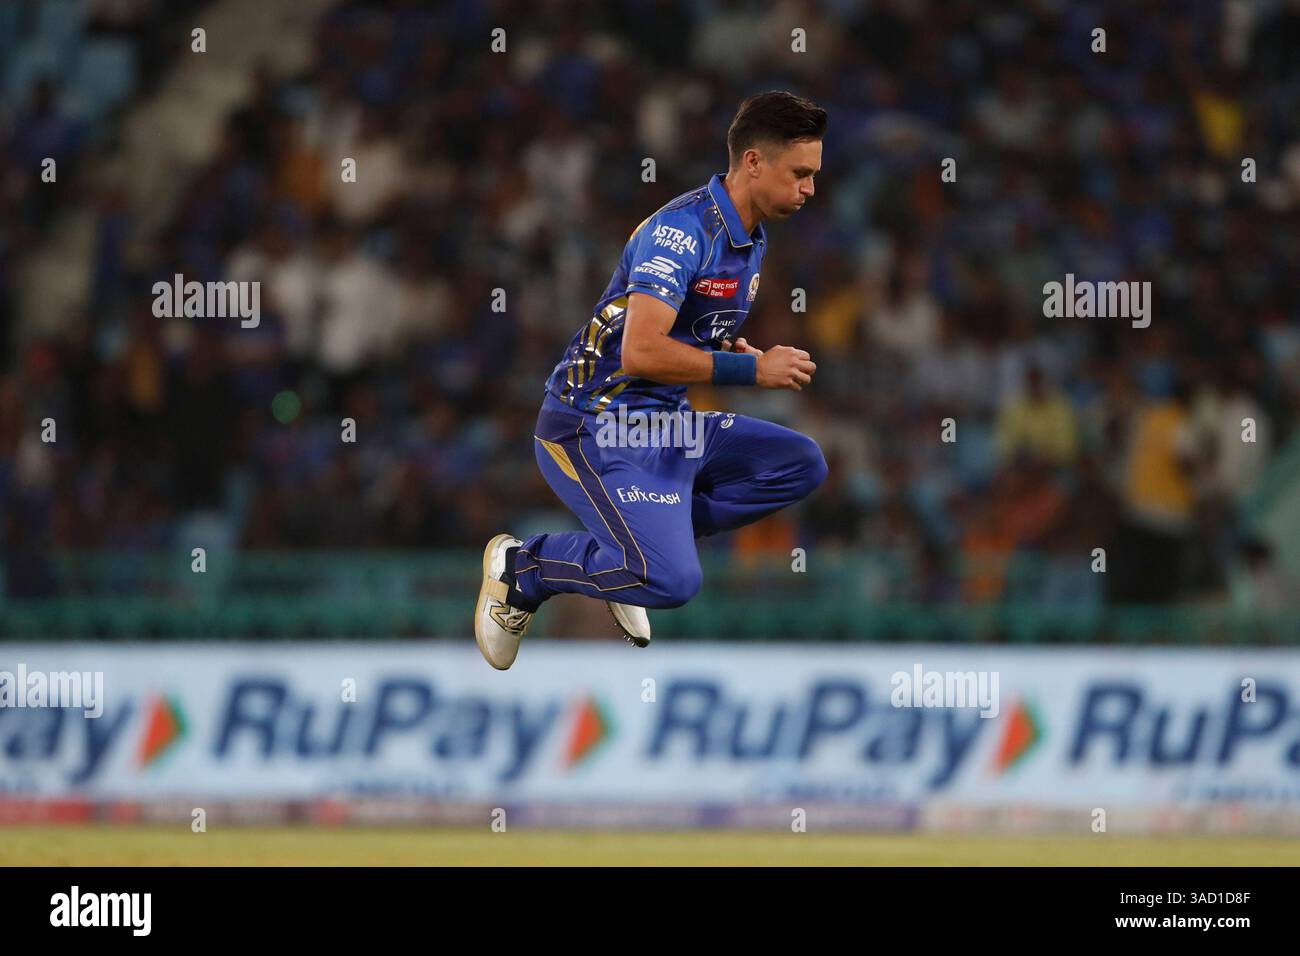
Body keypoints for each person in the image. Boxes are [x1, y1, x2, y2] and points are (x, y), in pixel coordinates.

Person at [474, 91, 829, 669]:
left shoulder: (750, 236)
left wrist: (721, 347)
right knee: (671, 582)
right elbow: (639, 353)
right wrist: (751, 368)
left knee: (801, 463)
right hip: (593, 427)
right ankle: (525, 571)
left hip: (665, 426)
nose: (810, 189)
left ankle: (639, 545)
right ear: (755, 163)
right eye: (801, 174)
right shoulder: (681, 232)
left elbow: (677, 334)